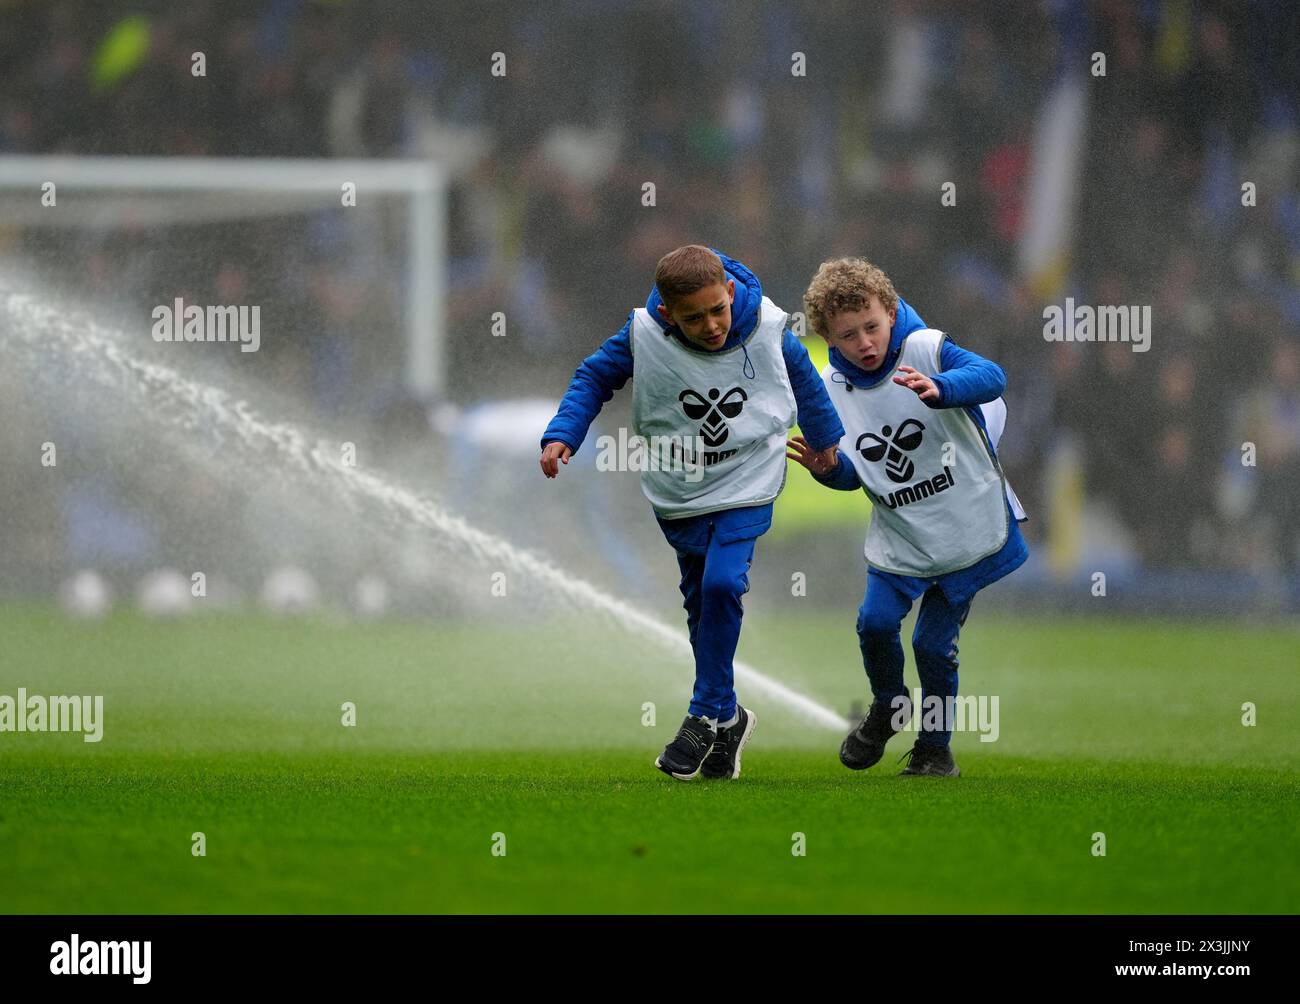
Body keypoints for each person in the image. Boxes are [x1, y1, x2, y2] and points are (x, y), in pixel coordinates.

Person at [540, 245, 843, 780]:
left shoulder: (770, 326)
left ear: (729, 293)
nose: (710, 326)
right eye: (693, 318)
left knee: (724, 586)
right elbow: (593, 378)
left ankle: (702, 716)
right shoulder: (640, 334)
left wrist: (825, 444)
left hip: (749, 478)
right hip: (680, 487)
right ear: (666, 315)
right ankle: (731, 720)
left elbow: (807, 386)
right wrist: (563, 434)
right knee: (701, 606)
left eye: (717, 310)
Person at [789, 257, 1028, 777]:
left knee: (931, 644)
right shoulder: (829, 388)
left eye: (872, 326)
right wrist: (827, 469)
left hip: (963, 527)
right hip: (902, 531)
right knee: (874, 623)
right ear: (827, 336)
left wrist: (943, 389)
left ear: (891, 313)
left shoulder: (926, 348)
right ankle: (887, 707)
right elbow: (860, 472)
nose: (865, 343)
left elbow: (992, 376)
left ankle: (935, 749)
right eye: (848, 335)